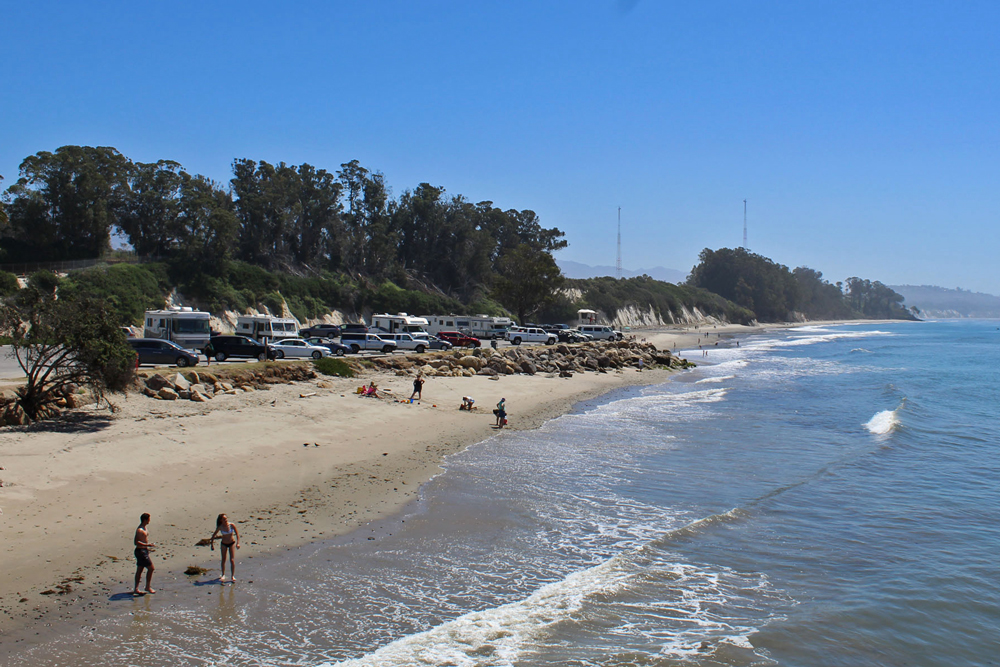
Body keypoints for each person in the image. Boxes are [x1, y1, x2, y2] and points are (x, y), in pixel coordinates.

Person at [210, 513, 241, 583]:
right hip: (223, 544)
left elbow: (237, 534)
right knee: (223, 559)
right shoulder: (220, 527)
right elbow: (213, 536)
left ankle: (232, 576)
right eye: (224, 519)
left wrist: (238, 543)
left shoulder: (232, 525)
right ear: (221, 520)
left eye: (226, 518)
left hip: (232, 543)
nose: (226, 520)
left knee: (232, 560)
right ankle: (223, 574)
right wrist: (212, 545)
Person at [133, 513, 156, 595]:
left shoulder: (145, 528)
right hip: (140, 551)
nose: (149, 520)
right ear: (145, 520)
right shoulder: (140, 530)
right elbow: (136, 542)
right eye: (149, 519)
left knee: (140, 569)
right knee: (151, 568)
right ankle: (147, 587)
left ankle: (136, 589)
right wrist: (148, 545)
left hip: (144, 551)